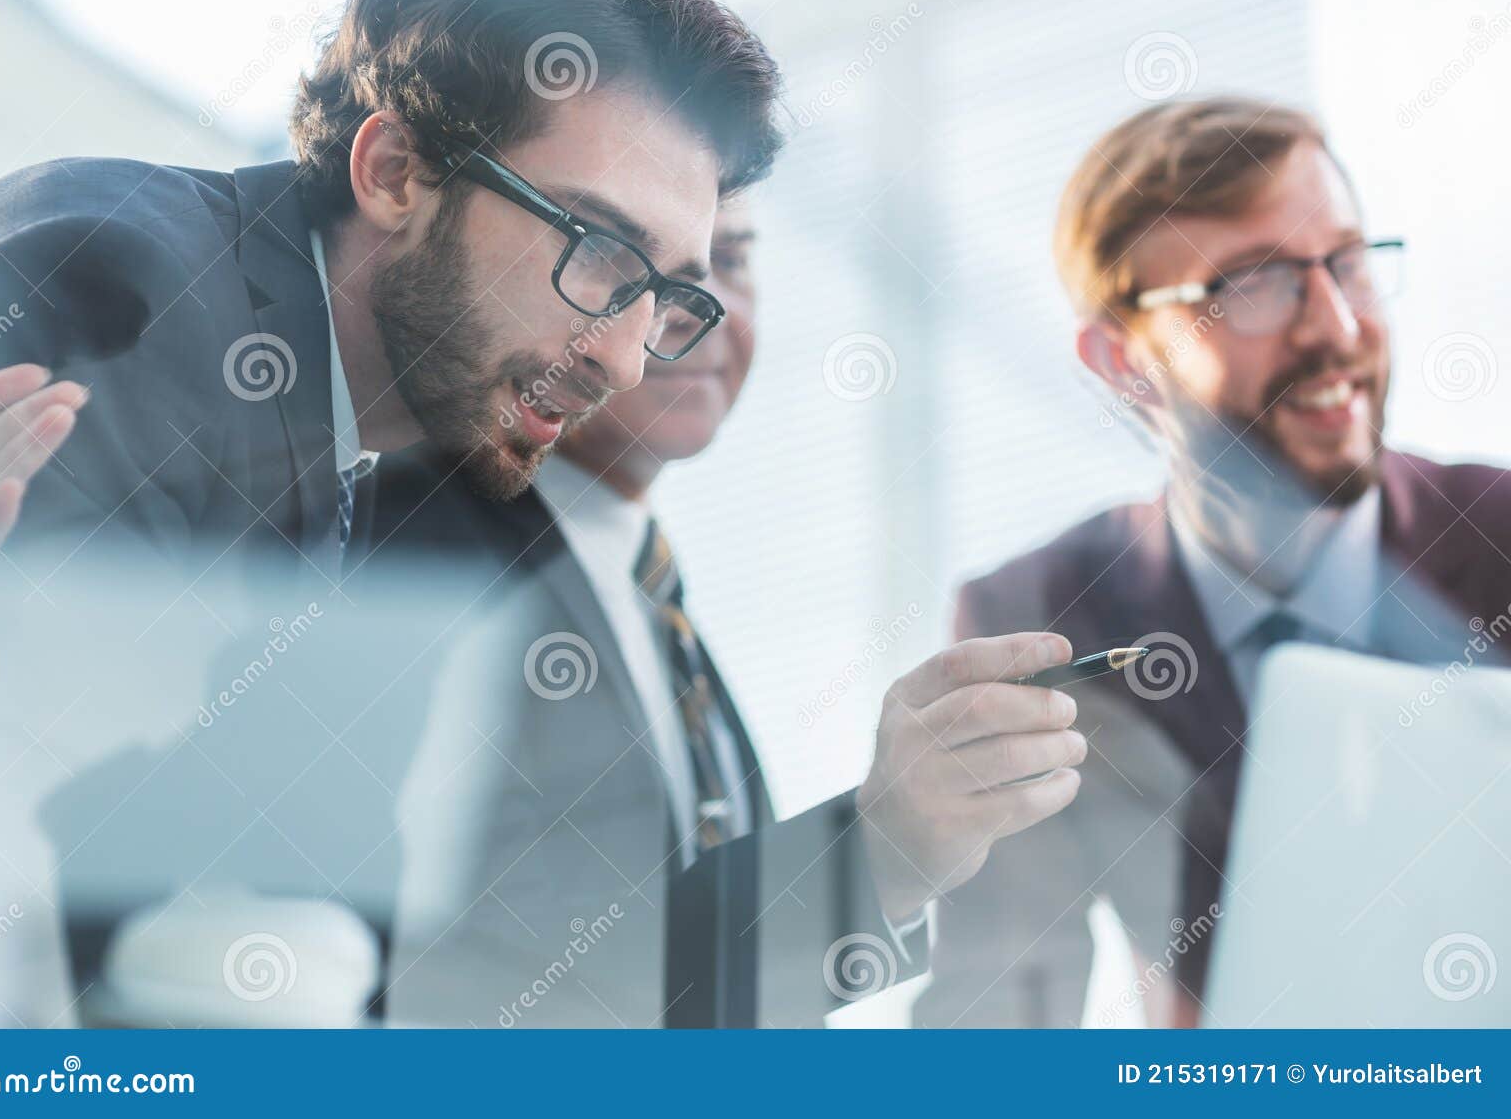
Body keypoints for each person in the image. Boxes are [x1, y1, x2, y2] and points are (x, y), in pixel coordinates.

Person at [370, 198, 1090, 1024]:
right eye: (622, 263)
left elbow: (684, 987)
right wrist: (874, 856)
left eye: (731, 265)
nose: (699, 313)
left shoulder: (648, 596)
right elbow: (512, 990)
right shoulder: (409, 546)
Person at [0, 0, 783, 594]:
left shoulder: (325, 433)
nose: (628, 362)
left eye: (667, 294)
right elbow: (60, 801)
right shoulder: (139, 286)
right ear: (396, 170)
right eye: (597, 247)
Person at [933, 96, 1511, 1027]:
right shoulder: (1047, 618)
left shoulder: (1501, 538)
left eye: (1348, 265)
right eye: (1253, 285)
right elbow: (1001, 1014)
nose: (1336, 327)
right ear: (1124, 363)